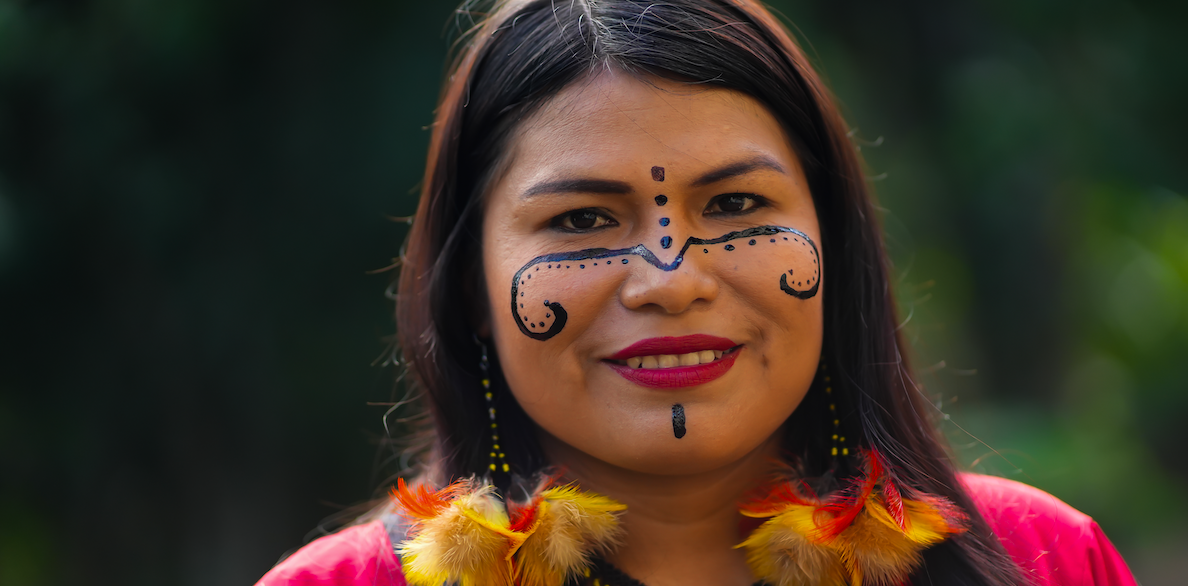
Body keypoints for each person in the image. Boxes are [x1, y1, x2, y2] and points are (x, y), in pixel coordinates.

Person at [257, 1, 1139, 585]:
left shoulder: (1039, 560)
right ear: (470, 290)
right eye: (580, 221)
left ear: (835, 248)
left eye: (735, 205)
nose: (670, 280)